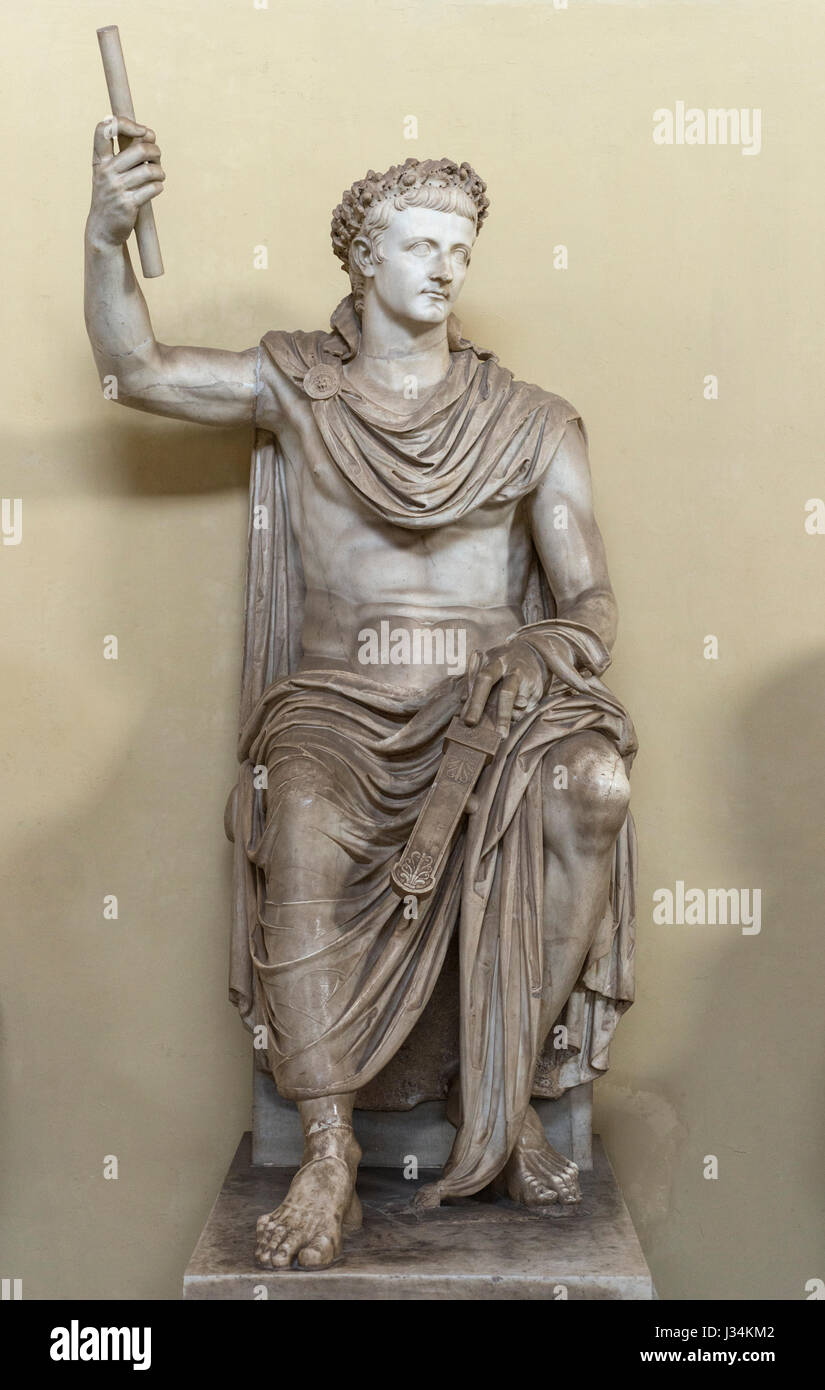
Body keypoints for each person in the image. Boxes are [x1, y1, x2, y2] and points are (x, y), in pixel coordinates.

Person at [85, 126, 638, 1271]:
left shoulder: (532, 422)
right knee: (297, 818)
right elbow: (137, 370)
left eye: (461, 251)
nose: (444, 268)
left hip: (497, 704)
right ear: (364, 261)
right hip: (339, 707)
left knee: (593, 783)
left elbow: (589, 599)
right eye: (422, 244)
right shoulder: (297, 383)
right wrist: (104, 234)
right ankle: (329, 1146)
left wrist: (543, 651)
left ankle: (507, 1096)